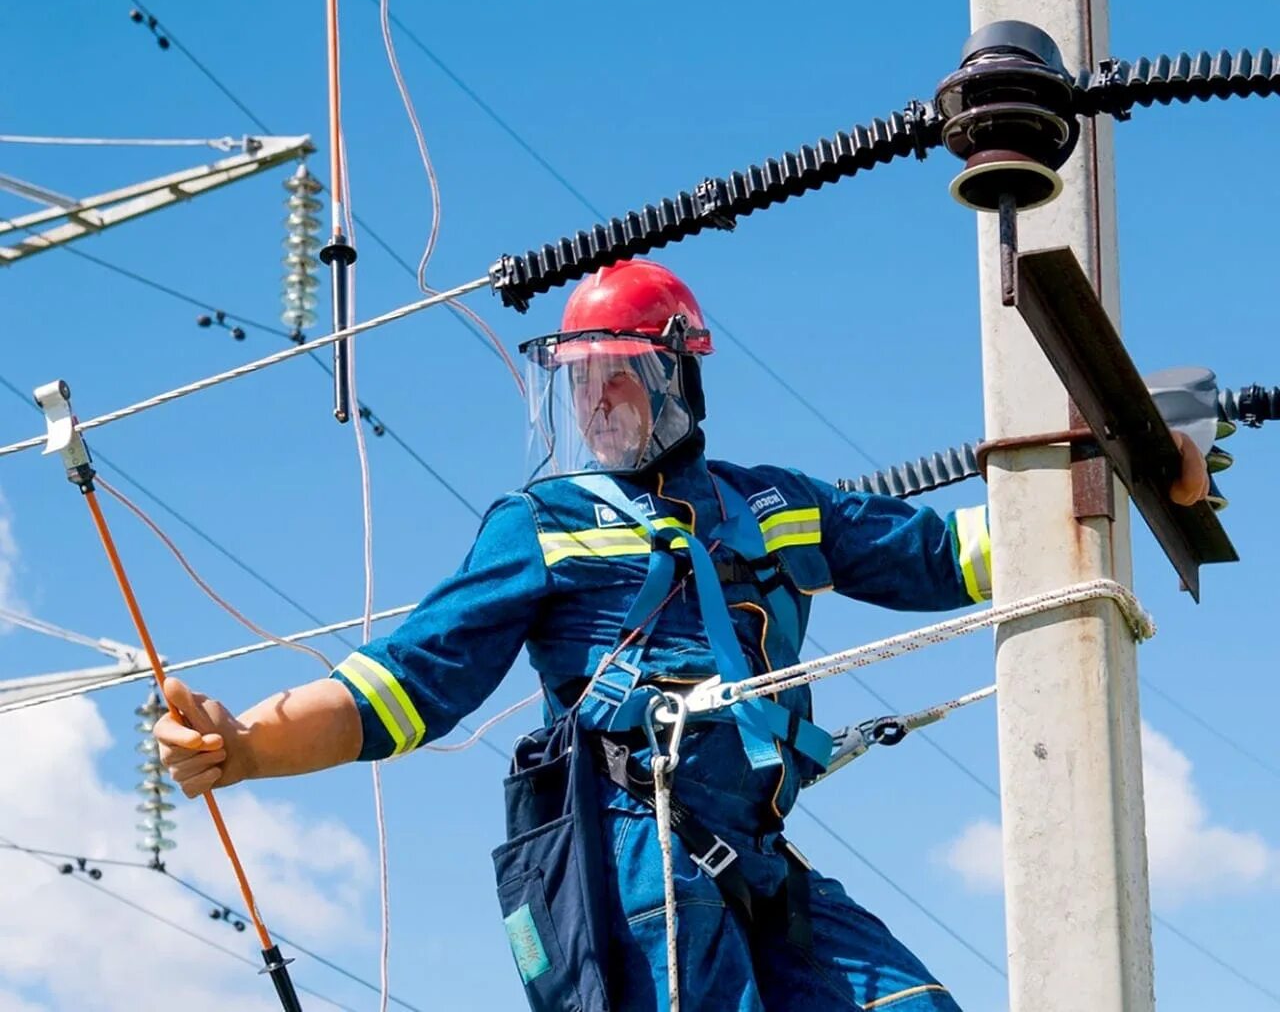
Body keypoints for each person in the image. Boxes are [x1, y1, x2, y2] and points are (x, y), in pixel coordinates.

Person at [156, 261, 1210, 1011]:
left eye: (619, 371)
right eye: (580, 377)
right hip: (635, 851)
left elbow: (952, 552)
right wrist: (247, 742)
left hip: (757, 860)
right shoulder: (543, 526)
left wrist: (1115, 469)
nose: (597, 398)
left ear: (679, 378)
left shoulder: (777, 506)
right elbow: (407, 680)